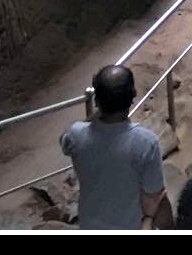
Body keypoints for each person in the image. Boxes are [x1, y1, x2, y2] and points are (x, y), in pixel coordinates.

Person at [59, 64, 170, 231]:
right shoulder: (146, 143)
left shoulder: (76, 136)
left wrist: (101, 108)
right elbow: (154, 195)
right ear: (133, 94)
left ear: (96, 100)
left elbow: (64, 140)